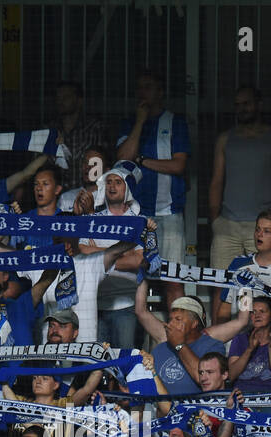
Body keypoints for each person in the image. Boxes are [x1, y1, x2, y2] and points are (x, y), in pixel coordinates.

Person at [116, 69, 191, 302]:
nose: (142, 92)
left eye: (148, 87)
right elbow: (122, 161)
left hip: (169, 214)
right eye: (139, 87)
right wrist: (140, 122)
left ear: (160, 92)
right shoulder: (130, 124)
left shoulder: (175, 122)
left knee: (173, 282)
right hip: (136, 214)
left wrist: (143, 161)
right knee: (135, 280)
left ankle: (178, 335)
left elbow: (178, 165)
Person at [208, 87, 271, 274]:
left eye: (247, 103)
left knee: (262, 283)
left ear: (259, 105)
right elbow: (216, 181)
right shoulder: (225, 139)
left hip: (261, 225)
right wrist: (215, 220)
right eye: (237, 104)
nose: (242, 108)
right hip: (227, 225)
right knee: (221, 282)